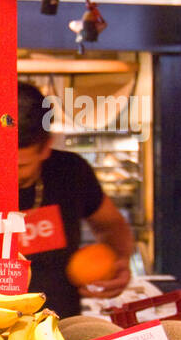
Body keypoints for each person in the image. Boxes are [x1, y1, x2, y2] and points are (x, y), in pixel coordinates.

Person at [16, 82, 135, 318]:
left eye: (21, 165)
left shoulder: (71, 172)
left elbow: (110, 224)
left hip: (62, 325)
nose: (9, 173)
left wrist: (117, 260)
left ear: (46, 147)